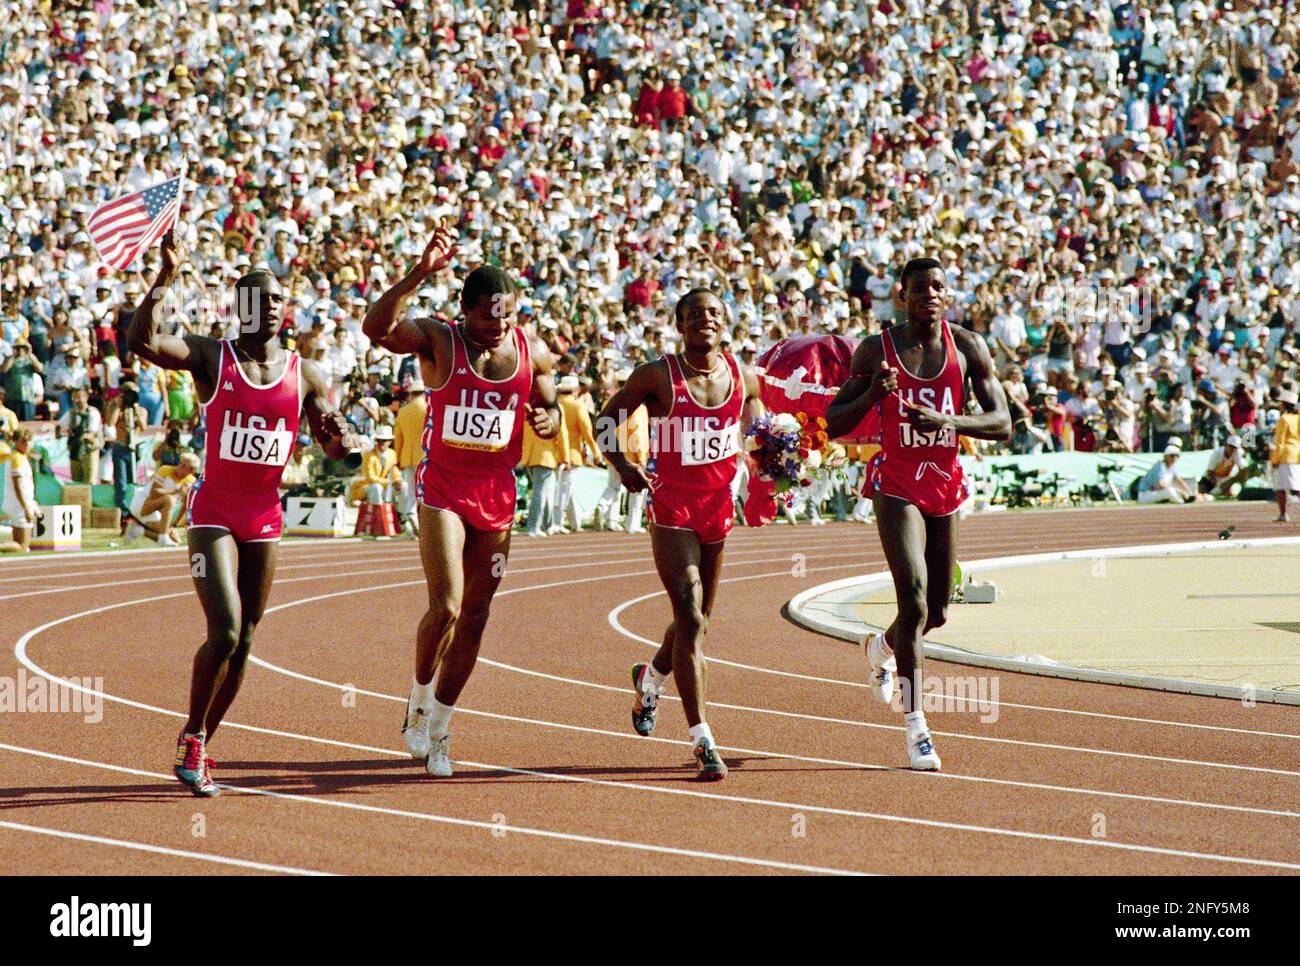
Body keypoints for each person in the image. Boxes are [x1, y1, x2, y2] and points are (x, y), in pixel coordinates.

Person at [127, 230, 354, 798]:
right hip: (214, 512)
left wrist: (337, 434)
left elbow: (332, 436)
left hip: (265, 516)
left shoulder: (306, 373)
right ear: (240, 308)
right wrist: (165, 275)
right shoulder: (211, 355)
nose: (272, 308)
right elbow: (141, 340)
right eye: (261, 299)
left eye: (279, 300)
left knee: (248, 639)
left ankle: (199, 741)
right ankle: (191, 738)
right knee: (224, 631)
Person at [362, 226, 559, 778]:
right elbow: (375, 329)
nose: (497, 328)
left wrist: (549, 418)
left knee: (476, 615)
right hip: (444, 487)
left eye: (507, 317)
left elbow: (549, 405)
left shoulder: (530, 349)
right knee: (446, 604)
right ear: (465, 311)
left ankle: (442, 727)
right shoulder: (440, 340)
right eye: (487, 318)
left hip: (496, 494)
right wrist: (419, 272)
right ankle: (418, 700)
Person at [825, 257, 1011, 771]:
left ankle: (880, 648)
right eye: (919, 288)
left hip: (945, 481)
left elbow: (1003, 424)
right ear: (900, 297)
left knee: (936, 611)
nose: (930, 294)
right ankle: (917, 729)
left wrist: (946, 418)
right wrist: (870, 393)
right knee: (911, 593)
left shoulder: (968, 346)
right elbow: (834, 423)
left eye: (938, 287)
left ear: (945, 295)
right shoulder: (876, 350)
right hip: (897, 481)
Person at [596, 288, 763, 781]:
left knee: (699, 621)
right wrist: (623, 464)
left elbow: (756, 421)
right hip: (672, 507)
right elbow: (606, 420)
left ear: (725, 321)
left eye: (713, 313)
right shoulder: (657, 375)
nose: (704, 321)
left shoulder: (740, 374)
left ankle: (651, 677)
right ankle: (703, 740)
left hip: (718, 508)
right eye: (694, 315)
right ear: (680, 324)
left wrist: (768, 452)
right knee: (689, 614)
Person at [553, 374, 602, 532]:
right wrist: (596, 452)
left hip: (553, 452)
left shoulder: (554, 404)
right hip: (572, 454)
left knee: (566, 488)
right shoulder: (577, 406)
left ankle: (575, 523)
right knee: (564, 490)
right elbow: (587, 432)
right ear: (575, 390)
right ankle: (557, 522)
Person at [125, 452, 201, 545]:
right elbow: (154, 493)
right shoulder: (165, 470)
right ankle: (163, 536)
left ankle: (138, 530)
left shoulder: (191, 481)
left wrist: (175, 525)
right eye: (181, 463)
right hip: (142, 504)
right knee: (169, 500)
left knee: (176, 540)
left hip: (155, 512)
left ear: (191, 470)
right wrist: (176, 491)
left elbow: (186, 505)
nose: (180, 466)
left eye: (185, 465)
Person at [393, 380, 427, 534]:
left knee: (412, 491)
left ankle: (411, 514)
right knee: (427, 491)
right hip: (426, 455)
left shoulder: (403, 411)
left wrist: (398, 458)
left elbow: (398, 438)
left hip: (408, 455)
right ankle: (419, 518)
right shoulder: (429, 408)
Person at [1, 428, 41, 552]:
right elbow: (18, 486)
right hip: (18, 504)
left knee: (17, 542)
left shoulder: (19, 457)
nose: (28, 444)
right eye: (24, 441)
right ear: (17, 442)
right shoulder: (17, 459)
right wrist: (26, 508)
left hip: (17, 502)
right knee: (23, 546)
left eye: (28, 441)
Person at [58, 387, 103, 485]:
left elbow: (92, 432)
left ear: (86, 397)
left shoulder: (93, 412)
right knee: (76, 480)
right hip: (75, 449)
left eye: (79, 397)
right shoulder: (71, 413)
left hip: (89, 449)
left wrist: (79, 436)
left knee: (90, 480)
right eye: (74, 397)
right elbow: (60, 425)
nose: (77, 400)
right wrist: (60, 434)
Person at [1269, 389, 1300, 521]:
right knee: (1293, 487)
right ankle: (1282, 515)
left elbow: (1280, 441)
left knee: (1282, 488)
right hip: (1297, 454)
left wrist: (1275, 458)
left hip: (1285, 455)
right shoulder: (1298, 418)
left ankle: (1283, 514)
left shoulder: (1284, 419)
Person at [1197, 434, 1252, 499]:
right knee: (1200, 493)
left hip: (1225, 481)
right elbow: (1210, 472)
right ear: (1226, 445)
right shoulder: (1217, 453)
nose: (1232, 449)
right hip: (1209, 480)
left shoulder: (1237, 454)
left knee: (1232, 494)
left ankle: (1215, 493)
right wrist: (1216, 486)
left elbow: (1242, 470)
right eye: (1231, 446)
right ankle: (1213, 493)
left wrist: (1240, 482)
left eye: (1235, 447)